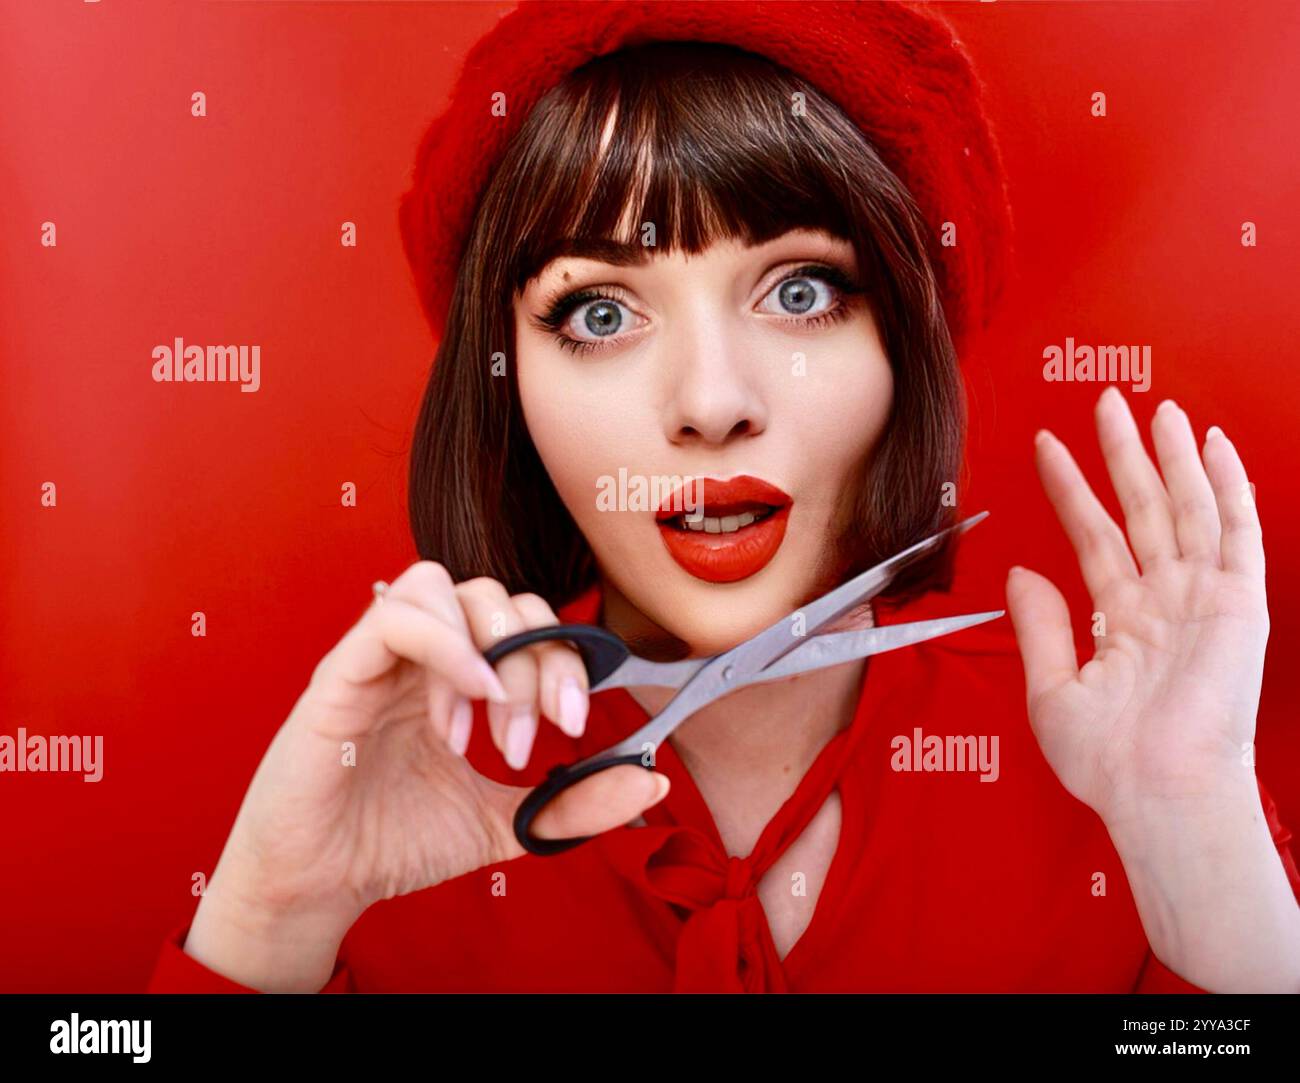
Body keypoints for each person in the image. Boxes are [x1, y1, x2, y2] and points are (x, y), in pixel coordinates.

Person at [146, 0, 1300, 994]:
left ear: (906, 349)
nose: (709, 402)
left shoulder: (1105, 783)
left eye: (802, 292)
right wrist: (268, 917)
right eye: (599, 311)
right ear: (504, 387)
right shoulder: (400, 803)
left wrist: (1198, 845)